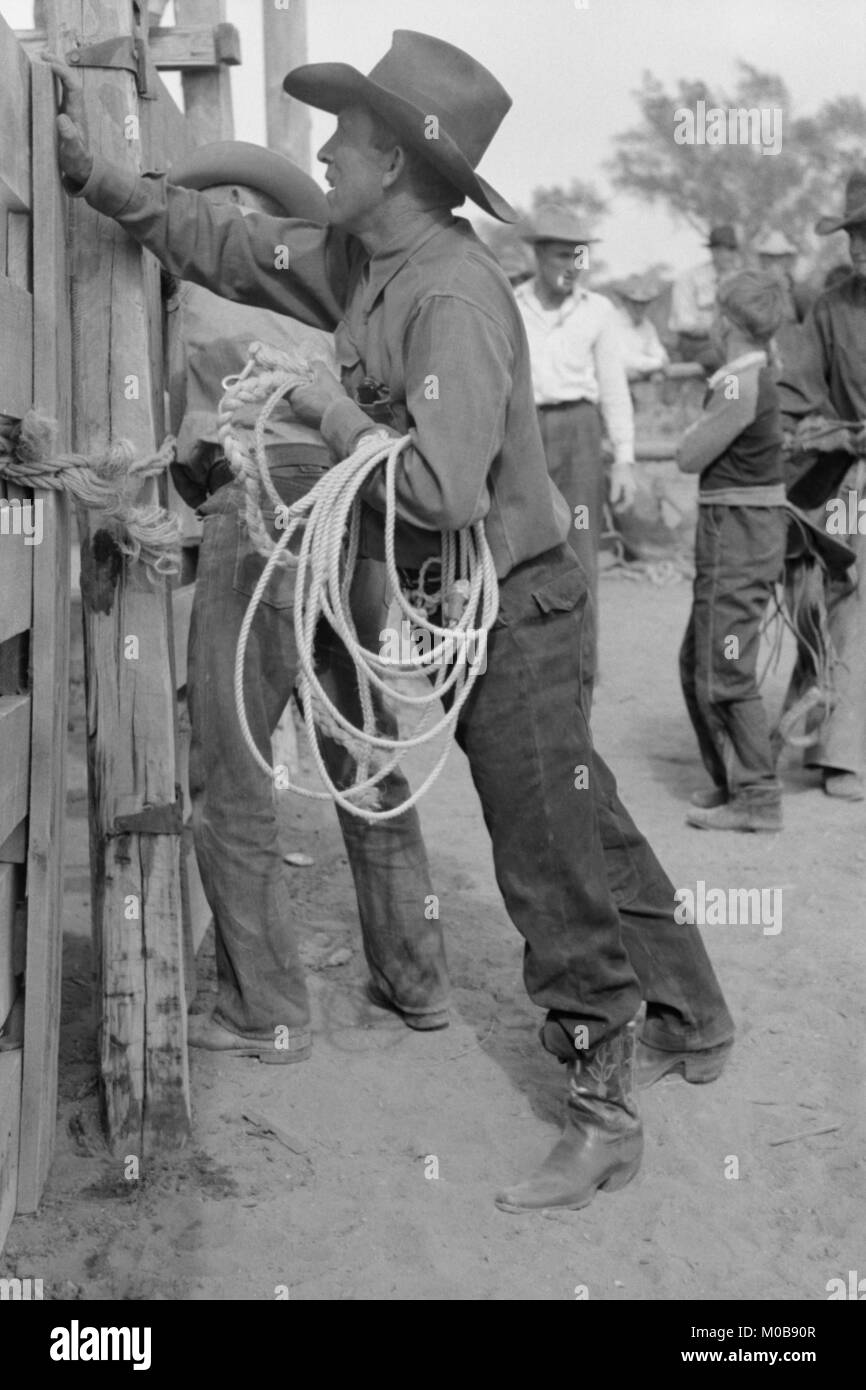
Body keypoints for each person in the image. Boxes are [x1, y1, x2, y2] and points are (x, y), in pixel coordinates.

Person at [46, 30, 734, 1214]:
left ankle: (601, 1108)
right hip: (490, 595)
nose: (320, 152)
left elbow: (440, 491)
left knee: (543, 852)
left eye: (343, 140)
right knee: (587, 818)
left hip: (516, 606)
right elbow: (234, 242)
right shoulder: (369, 261)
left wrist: (324, 406)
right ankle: (694, 1009)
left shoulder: (449, 298)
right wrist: (100, 180)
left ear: (392, 170)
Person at [677, 271, 789, 832]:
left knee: (723, 665)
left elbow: (688, 456)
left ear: (726, 323)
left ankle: (758, 797)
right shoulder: (749, 376)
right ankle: (732, 781)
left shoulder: (738, 386)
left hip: (738, 534)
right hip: (738, 530)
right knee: (699, 658)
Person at [775, 173, 866, 801]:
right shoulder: (833, 309)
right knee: (836, 595)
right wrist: (822, 431)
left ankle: (837, 746)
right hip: (851, 477)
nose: (860, 246)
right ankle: (832, 747)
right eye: (855, 233)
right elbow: (799, 392)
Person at [515, 206, 636, 664]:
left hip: (580, 434)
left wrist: (624, 457)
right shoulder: (513, 303)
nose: (571, 266)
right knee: (526, 544)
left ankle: (581, 667)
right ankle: (533, 663)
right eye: (561, 256)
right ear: (538, 255)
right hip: (527, 431)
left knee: (580, 546)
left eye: (578, 257)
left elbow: (614, 387)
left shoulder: (599, 310)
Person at [669, 225, 740, 369]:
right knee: (728, 358)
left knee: (757, 357)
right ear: (713, 251)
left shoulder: (737, 280)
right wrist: (718, 329)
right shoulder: (689, 279)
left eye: (732, 249)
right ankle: (730, 392)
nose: (729, 255)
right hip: (695, 343)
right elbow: (684, 323)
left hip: (729, 341)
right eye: (723, 250)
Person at [613, 273, 669, 381]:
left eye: (644, 303)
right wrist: (656, 364)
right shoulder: (612, 322)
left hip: (640, 379)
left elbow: (660, 354)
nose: (639, 307)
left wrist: (659, 362)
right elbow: (624, 360)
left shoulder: (647, 326)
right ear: (625, 301)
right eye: (635, 303)